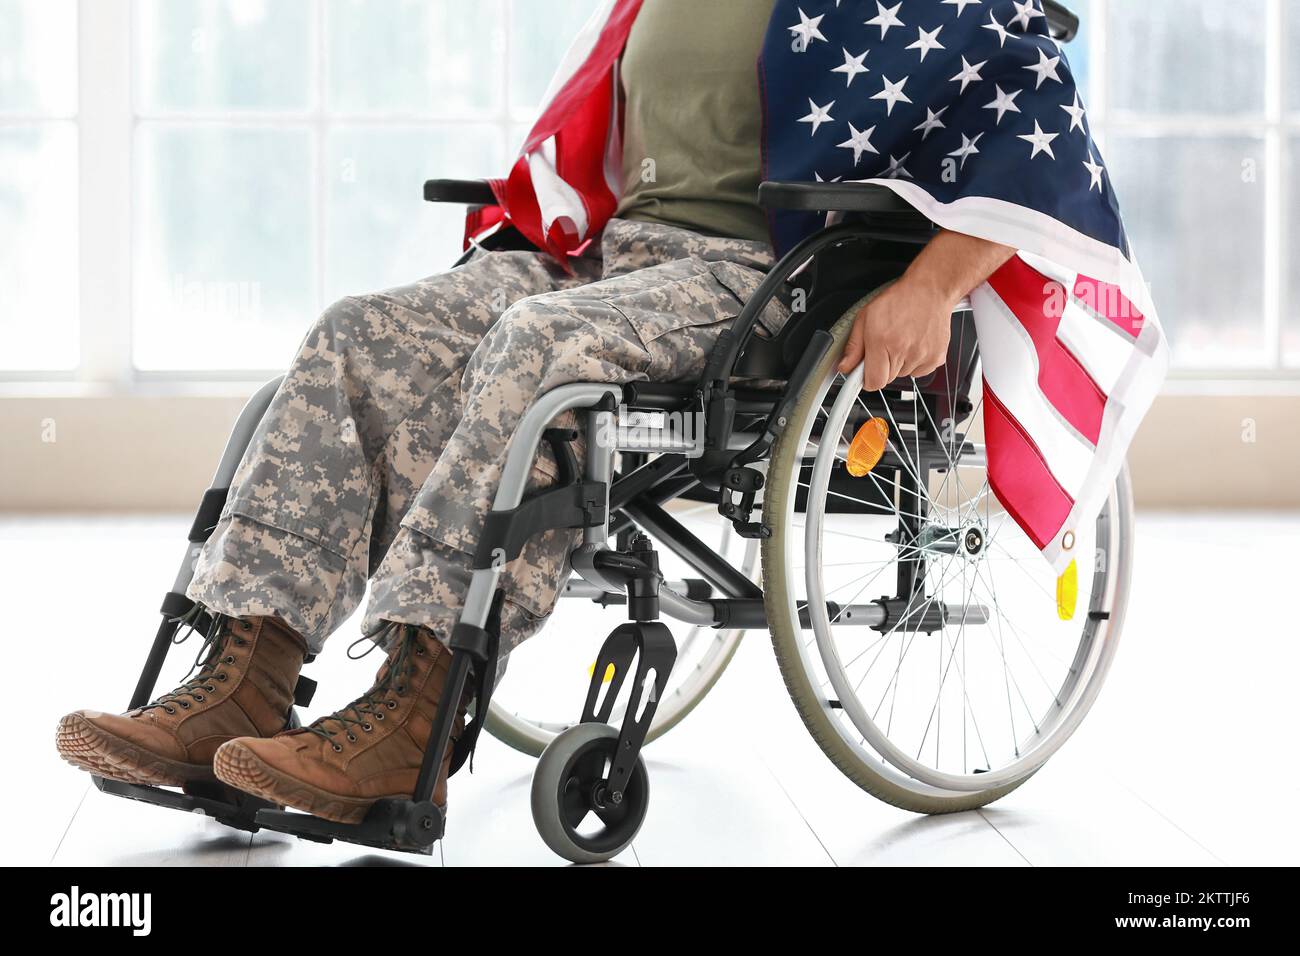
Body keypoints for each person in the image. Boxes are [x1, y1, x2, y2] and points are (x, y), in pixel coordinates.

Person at [57, 0, 1144, 827]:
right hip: (611, 260)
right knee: (358, 330)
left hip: (763, 282)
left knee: (540, 349)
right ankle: (244, 674)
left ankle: (416, 712)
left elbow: (1040, 126)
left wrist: (934, 284)